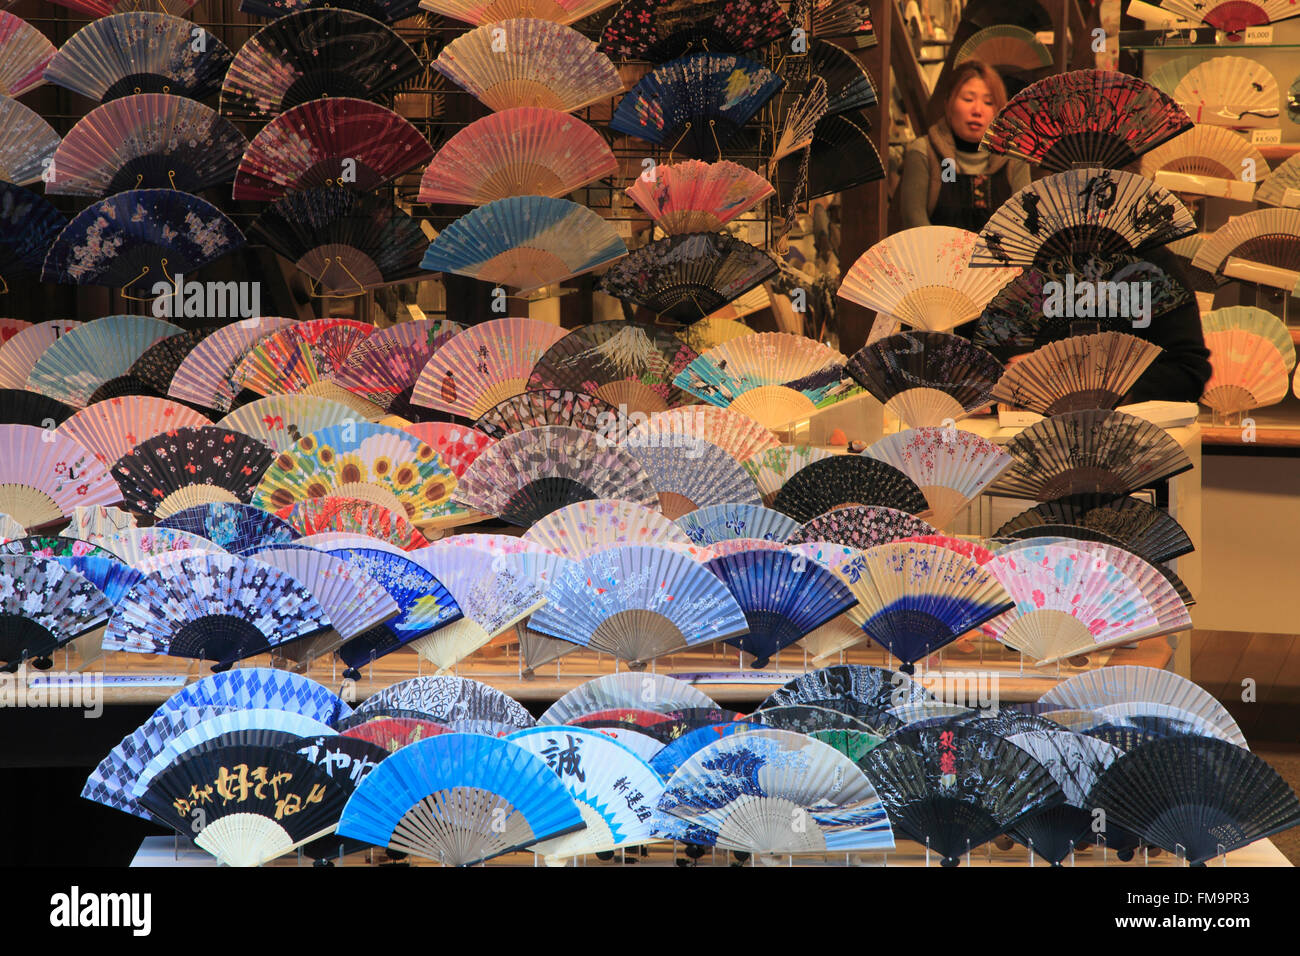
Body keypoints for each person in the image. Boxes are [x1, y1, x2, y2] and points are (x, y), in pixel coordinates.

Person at [897, 59, 1031, 231]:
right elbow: (914, 224)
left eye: (988, 102)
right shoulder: (926, 152)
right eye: (968, 99)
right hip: (934, 255)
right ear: (948, 104)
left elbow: (1023, 225)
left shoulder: (1012, 158)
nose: (977, 110)